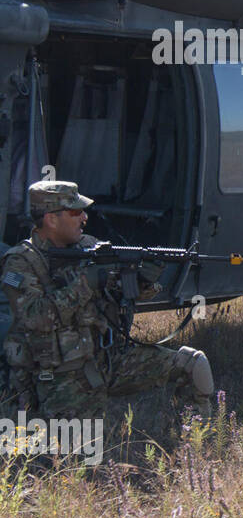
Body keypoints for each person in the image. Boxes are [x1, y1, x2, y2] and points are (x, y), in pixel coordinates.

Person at [0, 181, 213, 430]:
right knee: (81, 455)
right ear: (51, 219)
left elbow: (119, 294)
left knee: (193, 365)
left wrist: (141, 281)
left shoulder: (89, 246)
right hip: (60, 377)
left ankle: (193, 440)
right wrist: (85, 283)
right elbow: (35, 318)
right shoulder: (22, 261)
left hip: (107, 361)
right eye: (75, 212)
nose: (84, 218)